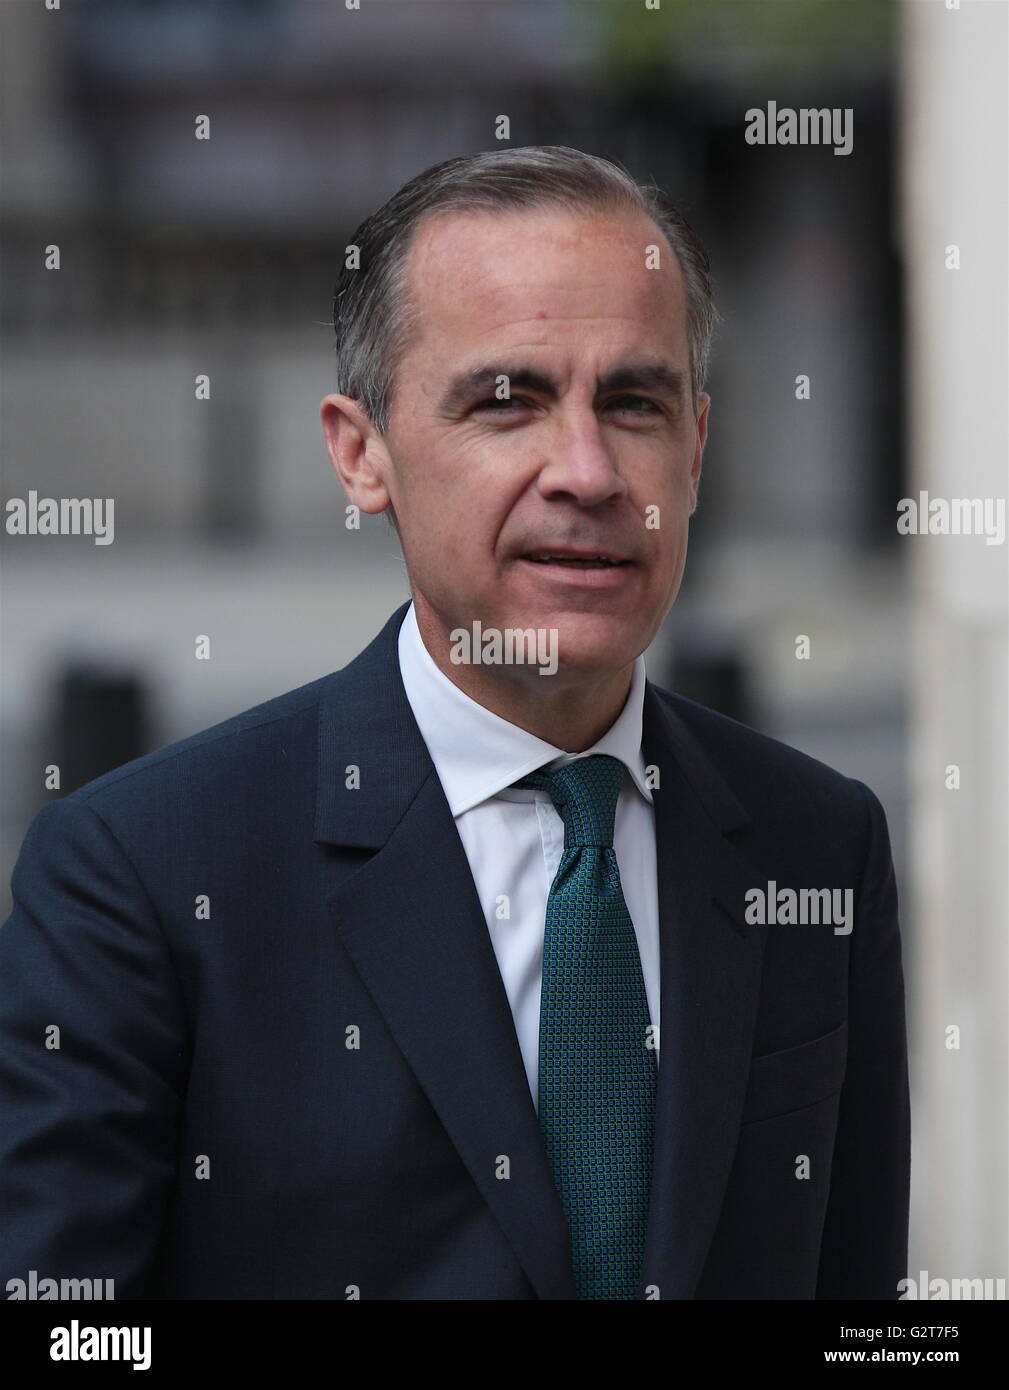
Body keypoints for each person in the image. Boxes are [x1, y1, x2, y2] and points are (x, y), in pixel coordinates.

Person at [0, 146, 909, 1300]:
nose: (584, 469)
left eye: (633, 401)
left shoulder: (817, 844)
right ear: (360, 452)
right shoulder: (143, 872)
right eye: (505, 400)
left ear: (694, 448)